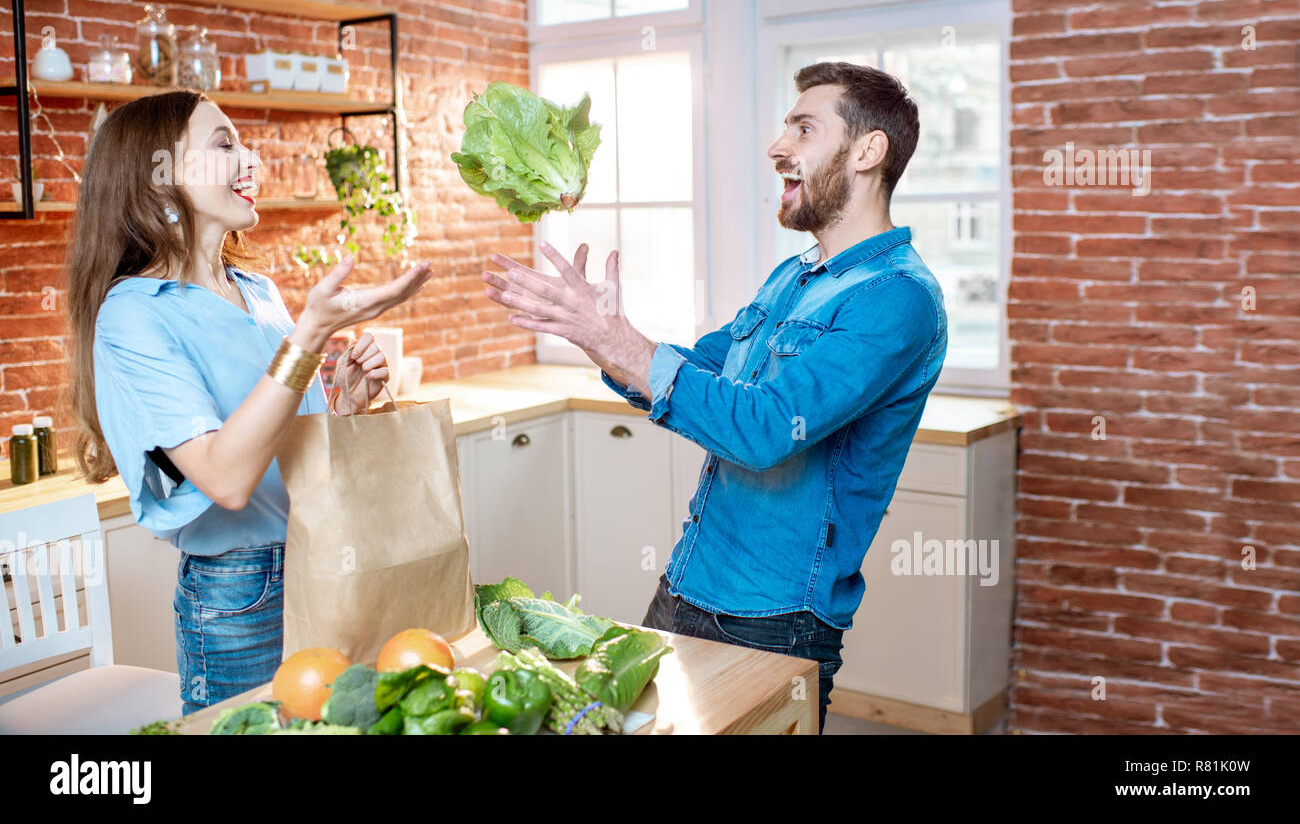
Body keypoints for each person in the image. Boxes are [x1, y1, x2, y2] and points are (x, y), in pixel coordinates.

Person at [482, 62, 948, 733]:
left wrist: (619, 343)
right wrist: (603, 337)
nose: (777, 145)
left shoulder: (896, 298)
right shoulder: (794, 275)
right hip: (686, 584)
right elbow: (703, 371)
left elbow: (761, 429)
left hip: (775, 620)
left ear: (869, 151)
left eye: (804, 126)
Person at [66, 90, 432, 715]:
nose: (251, 158)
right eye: (224, 144)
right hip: (240, 594)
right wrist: (309, 337)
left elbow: (286, 444)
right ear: (159, 181)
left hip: (321, 557)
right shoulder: (132, 316)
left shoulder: (257, 291)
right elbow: (227, 478)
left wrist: (343, 399)